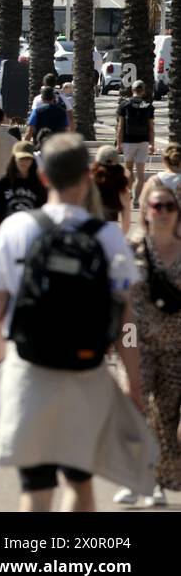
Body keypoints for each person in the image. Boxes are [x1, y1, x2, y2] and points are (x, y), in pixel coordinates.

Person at [0, 134, 146, 512]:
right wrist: (133, 384)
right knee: (79, 482)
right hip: (85, 372)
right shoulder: (108, 238)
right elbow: (127, 322)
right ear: (87, 176)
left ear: (43, 178)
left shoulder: (16, 229)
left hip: (28, 369)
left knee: (35, 488)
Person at [117, 183, 181, 507]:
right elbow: (121, 302)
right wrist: (124, 346)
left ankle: (155, 482)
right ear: (146, 212)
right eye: (157, 206)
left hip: (175, 347)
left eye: (170, 206)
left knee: (164, 416)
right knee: (134, 407)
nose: (164, 212)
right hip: (138, 343)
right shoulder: (132, 249)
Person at [116, 80, 155, 206]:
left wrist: (119, 143)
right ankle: (137, 200)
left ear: (132, 90)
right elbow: (151, 128)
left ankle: (128, 195)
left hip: (128, 142)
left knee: (128, 169)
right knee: (140, 173)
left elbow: (120, 127)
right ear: (143, 91)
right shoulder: (148, 106)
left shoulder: (124, 105)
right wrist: (152, 144)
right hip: (143, 142)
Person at [0, 142, 47, 223]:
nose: (24, 162)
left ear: (33, 160)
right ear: (14, 159)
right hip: (7, 227)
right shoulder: (4, 183)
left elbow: (44, 208)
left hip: (31, 227)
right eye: (21, 158)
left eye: (28, 159)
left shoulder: (38, 183)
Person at [92, 145, 132, 236]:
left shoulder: (87, 185)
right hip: (110, 233)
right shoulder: (123, 191)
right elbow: (126, 224)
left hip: (89, 233)